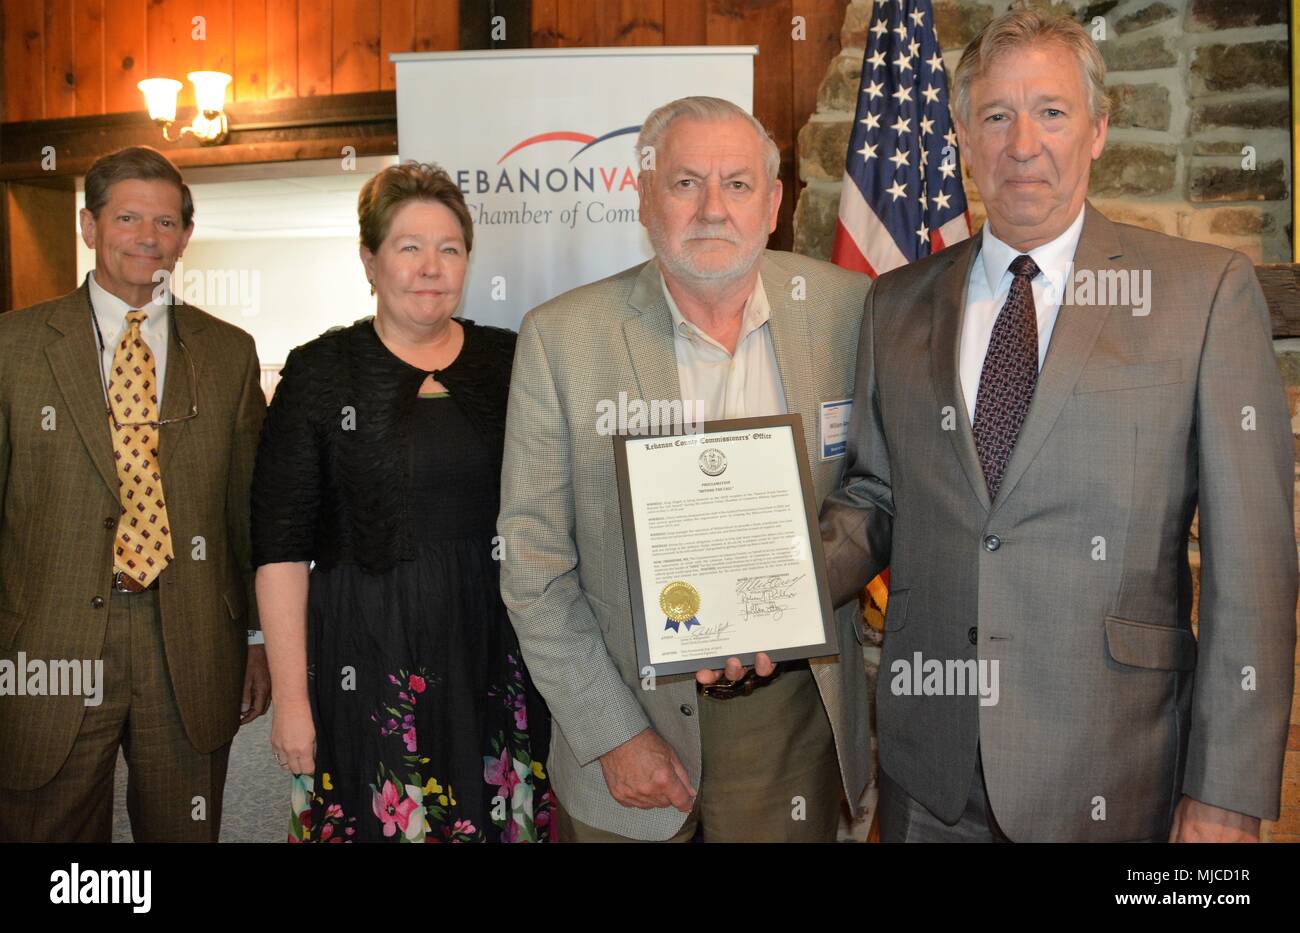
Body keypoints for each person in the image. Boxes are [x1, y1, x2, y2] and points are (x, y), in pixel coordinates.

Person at [820, 9, 1297, 842]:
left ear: (1099, 130)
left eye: (1051, 111)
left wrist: (1224, 791)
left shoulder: (1203, 292)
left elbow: (1252, 562)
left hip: (1117, 774)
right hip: (928, 779)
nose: (1022, 143)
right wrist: (757, 598)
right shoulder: (896, 304)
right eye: (996, 116)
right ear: (963, 138)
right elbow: (874, 498)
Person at [498, 96, 872, 842]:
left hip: (791, 726)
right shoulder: (560, 338)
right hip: (628, 719)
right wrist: (610, 732)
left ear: (772, 203)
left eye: (737, 184)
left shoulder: (850, 309)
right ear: (643, 199)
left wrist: (789, 588)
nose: (712, 209)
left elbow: (875, 495)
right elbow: (531, 559)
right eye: (684, 183)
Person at [253, 161, 554, 843]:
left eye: (449, 249)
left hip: (493, 648)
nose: (431, 267)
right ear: (370, 259)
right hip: (366, 655)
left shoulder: (510, 359)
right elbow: (280, 546)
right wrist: (292, 700)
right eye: (408, 247)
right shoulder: (320, 371)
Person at [0, 146, 270, 842]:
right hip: (47, 646)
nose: (148, 237)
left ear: (184, 235)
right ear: (89, 227)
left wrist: (257, 639)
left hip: (190, 641)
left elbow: (248, 512)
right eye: (127, 217)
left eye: (167, 222)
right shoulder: (13, 347)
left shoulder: (230, 353)